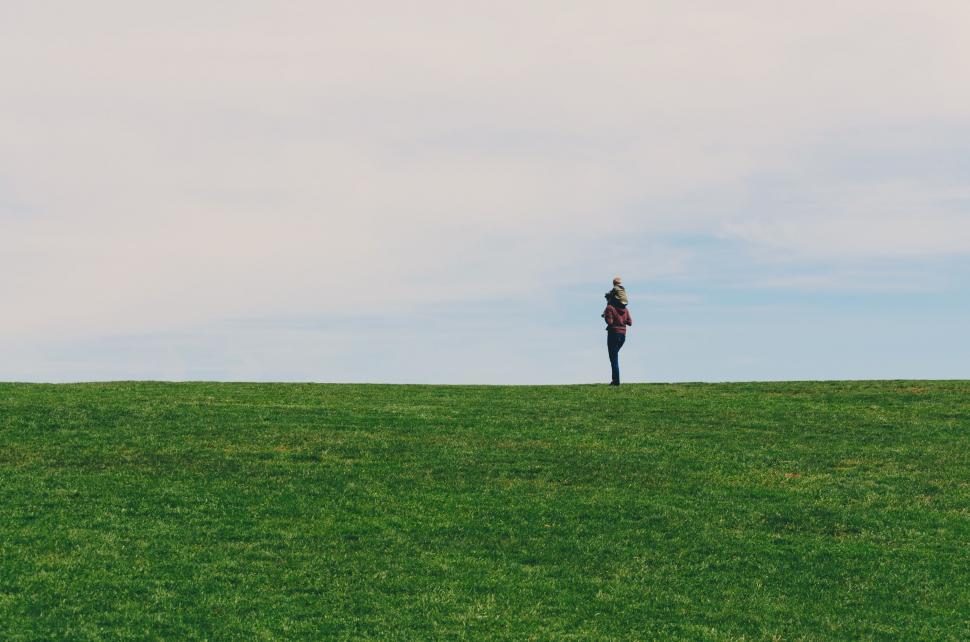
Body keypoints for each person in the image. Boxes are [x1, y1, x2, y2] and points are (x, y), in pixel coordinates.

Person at [603, 279, 632, 386]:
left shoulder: (609, 308)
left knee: (613, 358)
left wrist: (606, 315)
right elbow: (630, 322)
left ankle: (616, 382)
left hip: (613, 334)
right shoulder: (625, 309)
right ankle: (615, 380)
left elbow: (609, 322)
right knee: (614, 356)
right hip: (623, 335)